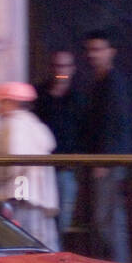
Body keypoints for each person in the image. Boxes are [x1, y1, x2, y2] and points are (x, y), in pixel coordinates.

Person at [81, 29, 132, 263]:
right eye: (91, 50)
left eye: (98, 49)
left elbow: (113, 124)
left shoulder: (112, 83)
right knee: (109, 217)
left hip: (108, 163)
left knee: (107, 218)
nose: (93, 55)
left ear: (110, 52)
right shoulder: (103, 82)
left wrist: (102, 161)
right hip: (106, 161)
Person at [0, 82, 60, 250]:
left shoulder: (14, 124)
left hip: (22, 197)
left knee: (20, 242)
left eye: (1, 102)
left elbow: (16, 163)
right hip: (37, 197)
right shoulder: (34, 124)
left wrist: (12, 194)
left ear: (11, 103)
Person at [34, 50, 87, 237]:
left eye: (65, 66)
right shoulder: (40, 95)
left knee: (63, 220)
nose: (61, 70)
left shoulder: (78, 98)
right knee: (42, 220)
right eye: (57, 66)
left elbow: (84, 131)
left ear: (72, 69)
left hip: (66, 169)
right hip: (43, 168)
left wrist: (77, 157)